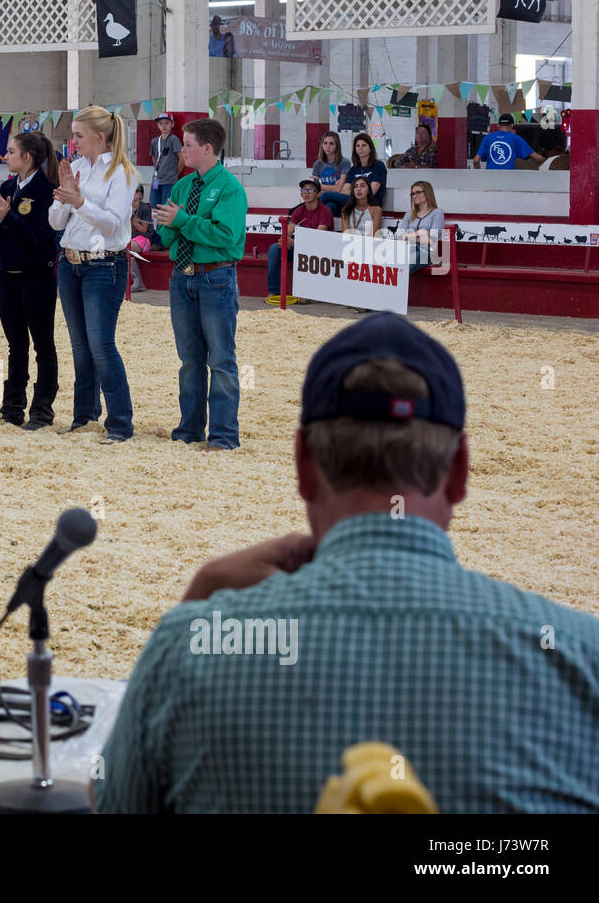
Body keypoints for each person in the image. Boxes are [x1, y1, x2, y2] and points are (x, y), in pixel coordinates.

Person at [93, 313, 599, 813]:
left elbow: (112, 802)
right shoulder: (580, 658)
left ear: (304, 467)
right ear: (459, 472)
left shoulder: (187, 652)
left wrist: (198, 603)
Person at [154, 117, 247, 451]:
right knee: (189, 359)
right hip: (182, 276)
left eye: (188, 143)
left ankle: (223, 435)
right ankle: (189, 430)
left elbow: (226, 236)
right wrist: (173, 225)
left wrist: (182, 222)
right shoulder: (181, 186)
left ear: (208, 148)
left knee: (221, 359)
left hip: (216, 278)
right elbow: (166, 233)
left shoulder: (229, 187)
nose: (183, 149)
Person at [49, 104, 136, 443]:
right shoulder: (78, 168)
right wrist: (66, 198)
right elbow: (55, 222)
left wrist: (79, 200)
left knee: (101, 345)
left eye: (79, 136)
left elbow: (114, 223)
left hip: (104, 263)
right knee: (80, 347)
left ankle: (120, 423)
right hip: (70, 263)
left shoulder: (122, 172)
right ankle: (84, 417)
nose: (73, 142)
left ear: (100, 137)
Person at [0, 131, 60, 430]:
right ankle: (12, 407)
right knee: (16, 344)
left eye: (11, 152)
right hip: (7, 274)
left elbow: (39, 236)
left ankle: (42, 409)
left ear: (27, 157)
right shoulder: (7, 186)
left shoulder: (47, 189)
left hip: (36, 274)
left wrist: (6, 218)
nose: (7, 157)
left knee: (43, 345)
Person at [266, 179, 332, 305]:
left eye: (311, 189)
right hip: (300, 247)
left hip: (319, 251)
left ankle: (305, 292)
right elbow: (286, 235)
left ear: (318, 194)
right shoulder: (299, 210)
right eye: (304, 190)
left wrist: (294, 242)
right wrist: (287, 240)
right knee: (275, 249)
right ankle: (274, 292)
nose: (306, 193)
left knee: (306, 252)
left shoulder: (325, 211)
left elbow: (318, 240)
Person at [396, 180, 445, 275]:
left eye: (418, 192)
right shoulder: (409, 215)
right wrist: (421, 235)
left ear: (427, 193)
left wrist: (409, 237)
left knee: (402, 270)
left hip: (426, 251)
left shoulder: (437, 213)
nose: (414, 196)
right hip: (407, 249)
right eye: (412, 194)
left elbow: (432, 239)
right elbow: (398, 236)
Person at [474, 113, 544, 170]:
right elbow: (537, 158)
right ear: (512, 125)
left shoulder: (487, 138)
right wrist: (543, 159)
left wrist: (480, 174)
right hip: (509, 180)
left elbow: (476, 161)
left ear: (498, 125)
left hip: (490, 180)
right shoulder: (517, 139)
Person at [148, 112, 182, 211]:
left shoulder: (174, 140)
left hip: (169, 181)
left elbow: (182, 158)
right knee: (154, 205)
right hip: (156, 180)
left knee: (165, 207)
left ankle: (162, 227)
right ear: (158, 125)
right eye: (161, 123)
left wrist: (175, 173)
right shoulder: (154, 141)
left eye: (167, 123)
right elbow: (154, 158)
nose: (164, 126)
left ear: (172, 124)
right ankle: (155, 226)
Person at [312, 131, 351, 217]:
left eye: (331, 144)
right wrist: (319, 187)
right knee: (329, 206)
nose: (328, 147)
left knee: (326, 201)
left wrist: (320, 186)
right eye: (325, 143)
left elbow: (338, 189)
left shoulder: (344, 163)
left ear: (337, 146)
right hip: (326, 201)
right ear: (321, 145)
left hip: (339, 199)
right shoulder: (317, 164)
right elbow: (314, 189)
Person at [346, 133, 387, 204]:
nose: (360, 148)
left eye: (364, 145)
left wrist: (353, 192)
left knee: (327, 196)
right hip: (352, 201)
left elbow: (372, 191)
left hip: (370, 203)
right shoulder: (353, 169)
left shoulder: (378, 165)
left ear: (370, 148)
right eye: (357, 146)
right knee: (331, 205)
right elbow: (344, 190)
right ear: (355, 149)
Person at [127, 184, 152, 293]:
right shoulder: (127, 206)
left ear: (141, 194)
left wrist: (133, 220)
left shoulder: (144, 208)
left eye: (136, 191)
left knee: (127, 248)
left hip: (144, 239)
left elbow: (143, 230)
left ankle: (138, 282)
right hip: (130, 238)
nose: (133, 193)